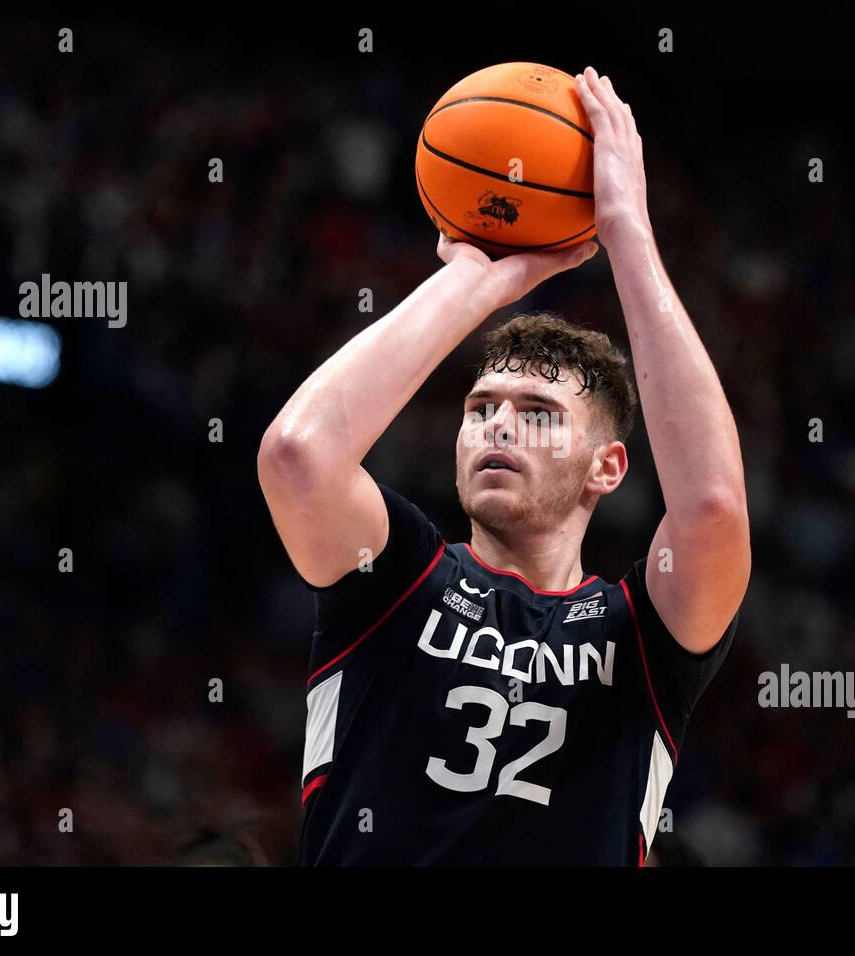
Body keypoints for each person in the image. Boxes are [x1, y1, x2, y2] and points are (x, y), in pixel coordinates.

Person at [258, 67, 751, 864]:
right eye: (481, 408)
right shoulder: (395, 584)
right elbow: (297, 457)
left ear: (608, 468)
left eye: (539, 414)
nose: (497, 426)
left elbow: (713, 511)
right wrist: (474, 283)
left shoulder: (643, 636)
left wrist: (626, 233)